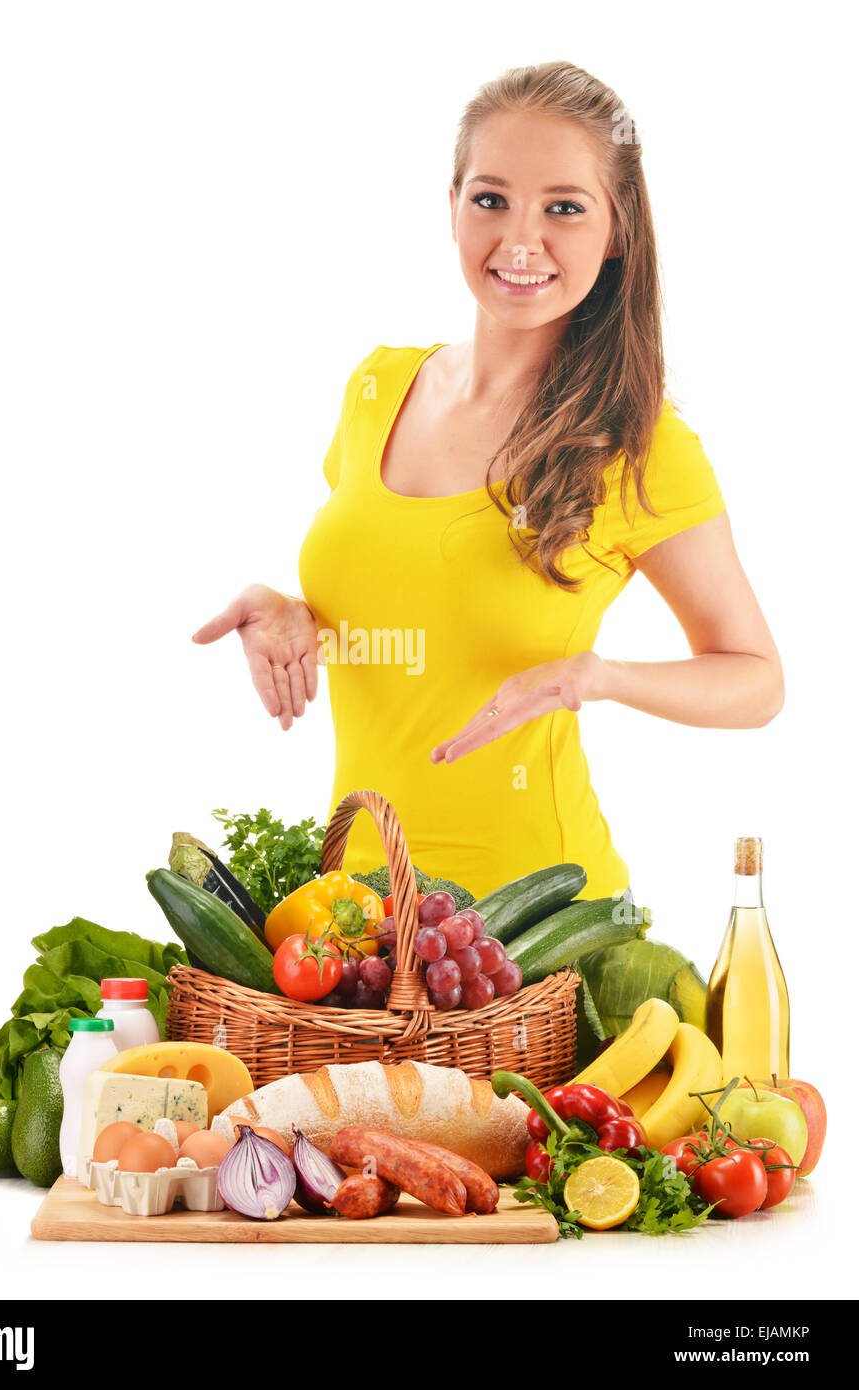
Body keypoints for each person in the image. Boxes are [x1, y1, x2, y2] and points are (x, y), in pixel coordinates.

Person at [193, 62, 783, 902]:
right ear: (453, 204)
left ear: (617, 231)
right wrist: (296, 615)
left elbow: (757, 679)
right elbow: (409, 599)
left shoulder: (635, 443)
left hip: (535, 928)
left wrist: (598, 676)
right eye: (491, 198)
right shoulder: (377, 391)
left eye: (564, 208)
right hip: (356, 914)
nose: (519, 240)